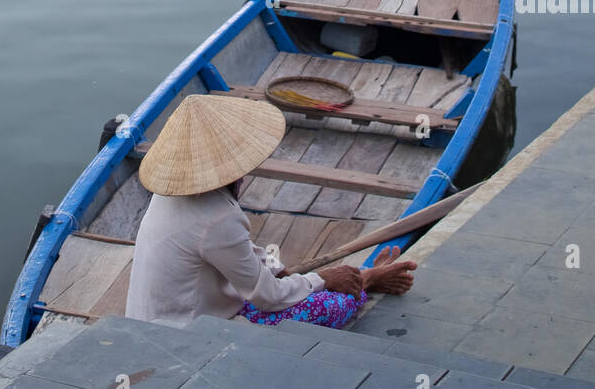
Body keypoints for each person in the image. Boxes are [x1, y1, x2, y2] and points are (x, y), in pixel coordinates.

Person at [126, 95, 416, 330]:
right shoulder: (217, 217)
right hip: (187, 329)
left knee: (297, 287)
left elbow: (241, 251)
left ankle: (359, 277)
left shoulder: (169, 193)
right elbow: (268, 297)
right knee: (335, 306)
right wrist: (325, 279)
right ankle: (366, 280)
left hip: (156, 314)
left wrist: (280, 271)